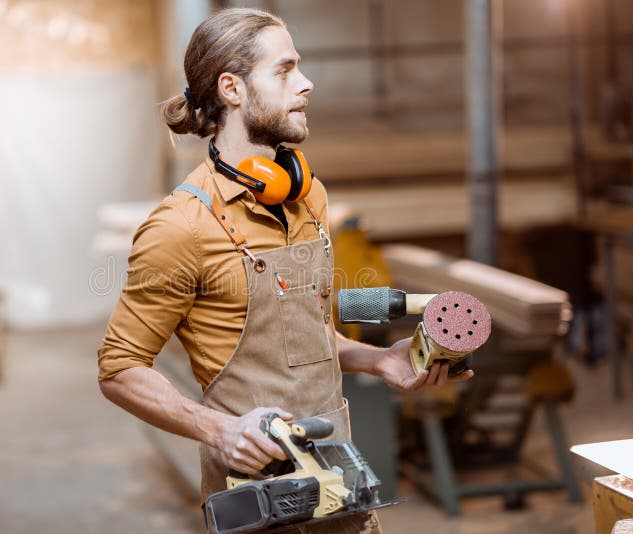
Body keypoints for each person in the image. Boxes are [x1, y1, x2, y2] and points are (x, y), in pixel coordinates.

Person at [97, 8, 473, 533]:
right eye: (285, 70)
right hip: (257, 505)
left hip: (342, 490)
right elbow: (119, 367)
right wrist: (219, 430)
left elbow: (306, 330)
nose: (306, 83)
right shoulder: (181, 225)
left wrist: (379, 360)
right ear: (232, 88)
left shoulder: (309, 198)